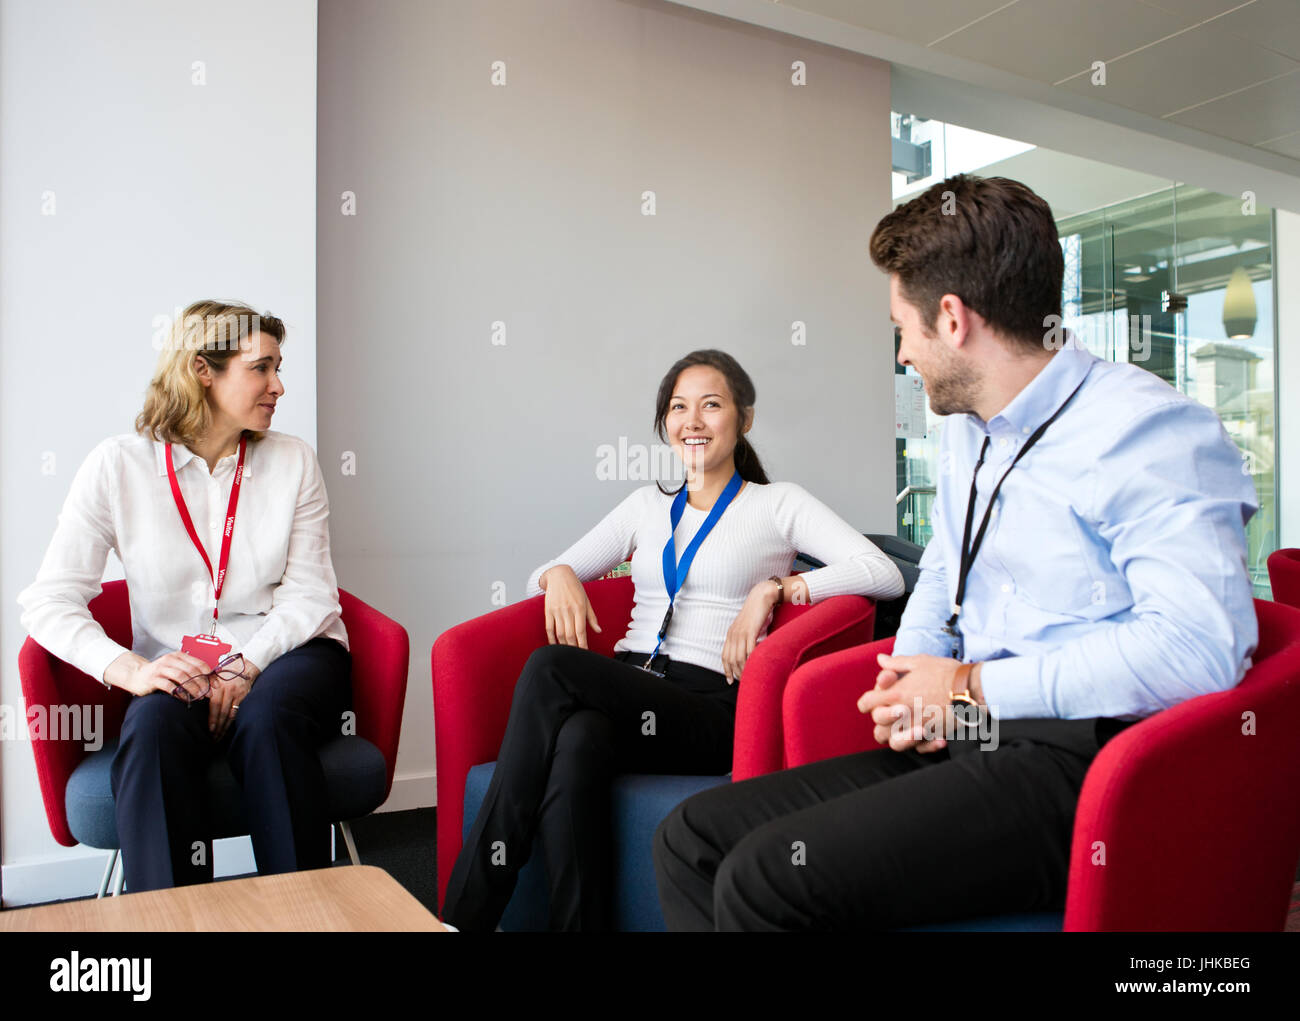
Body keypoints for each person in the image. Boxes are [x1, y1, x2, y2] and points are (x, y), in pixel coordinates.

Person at [652, 174, 1260, 930]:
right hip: (972, 732)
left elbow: (1200, 649)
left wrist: (970, 685)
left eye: (902, 328)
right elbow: (944, 565)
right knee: (690, 838)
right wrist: (912, 674)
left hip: (1085, 759)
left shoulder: (1146, 433)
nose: (903, 353)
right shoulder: (967, 430)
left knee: (766, 878)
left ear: (953, 318)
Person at [440, 349, 906, 931]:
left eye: (711, 405)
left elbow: (882, 572)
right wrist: (558, 574)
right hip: (634, 692)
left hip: (709, 705)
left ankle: (463, 915)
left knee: (549, 668)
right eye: (679, 407)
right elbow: (549, 569)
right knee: (579, 738)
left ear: (745, 418)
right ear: (665, 422)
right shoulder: (646, 506)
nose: (693, 420)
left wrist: (779, 588)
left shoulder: (776, 503)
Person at [18, 299, 351, 892]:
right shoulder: (117, 465)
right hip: (181, 664)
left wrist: (245, 665)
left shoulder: (293, 460)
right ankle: (171, 921)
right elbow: (48, 600)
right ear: (203, 370)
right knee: (150, 729)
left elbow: (311, 595)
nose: (279, 386)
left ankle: (303, 914)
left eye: (280, 368)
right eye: (262, 368)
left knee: (269, 720)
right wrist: (129, 670)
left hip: (289, 651)